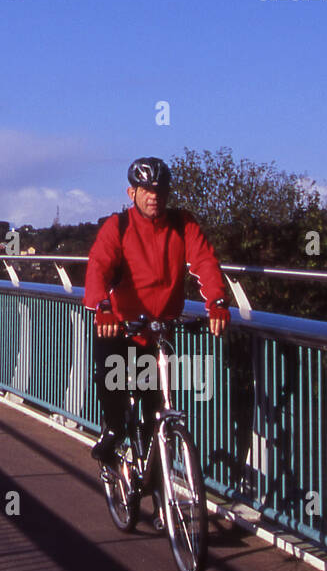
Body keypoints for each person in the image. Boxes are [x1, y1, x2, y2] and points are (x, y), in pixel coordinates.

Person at [84, 158, 230, 479]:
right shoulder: (118, 227)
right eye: (147, 190)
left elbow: (204, 260)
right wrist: (102, 307)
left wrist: (217, 302)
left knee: (156, 410)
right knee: (112, 379)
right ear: (132, 192)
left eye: (161, 190)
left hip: (160, 329)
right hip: (121, 326)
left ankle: (157, 486)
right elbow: (98, 267)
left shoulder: (182, 224)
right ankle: (113, 433)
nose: (155, 197)